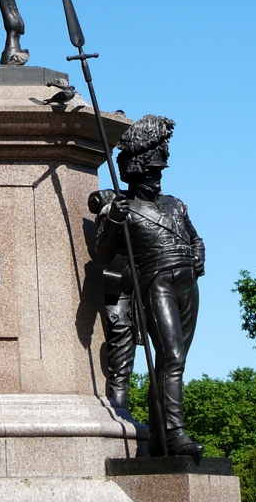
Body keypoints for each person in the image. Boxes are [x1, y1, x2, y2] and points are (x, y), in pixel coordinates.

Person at [95, 115, 205, 456]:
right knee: (172, 357)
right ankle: (175, 433)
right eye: (151, 174)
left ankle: (160, 437)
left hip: (188, 284)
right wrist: (114, 218)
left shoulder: (176, 204)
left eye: (159, 173)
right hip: (156, 283)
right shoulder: (124, 209)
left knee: (174, 362)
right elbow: (103, 253)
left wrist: (198, 256)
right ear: (135, 173)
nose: (156, 179)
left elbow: (196, 238)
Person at [88, 190, 137, 410]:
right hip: (118, 301)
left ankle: (119, 417)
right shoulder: (114, 207)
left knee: (121, 371)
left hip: (125, 299)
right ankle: (120, 420)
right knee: (120, 371)